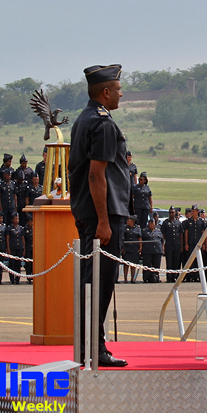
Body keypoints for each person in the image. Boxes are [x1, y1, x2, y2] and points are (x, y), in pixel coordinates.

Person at [68, 63, 130, 367]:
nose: (121, 93)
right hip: (101, 214)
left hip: (89, 212)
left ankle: (88, 346)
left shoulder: (84, 119)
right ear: (105, 92)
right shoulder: (103, 123)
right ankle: (95, 347)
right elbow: (96, 175)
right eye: (118, 89)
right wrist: (105, 221)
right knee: (100, 283)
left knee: (92, 282)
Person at [161, 207, 183, 282]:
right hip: (169, 244)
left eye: (173, 212)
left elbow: (181, 235)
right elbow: (163, 235)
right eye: (170, 212)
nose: (171, 214)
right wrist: (163, 245)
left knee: (176, 261)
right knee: (169, 261)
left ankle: (175, 276)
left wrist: (181, 245)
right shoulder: (165, 222)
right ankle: (169, 277)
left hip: (177, 244)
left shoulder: (178, 223)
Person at [141, 218, 163, 283]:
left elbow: (162, 240)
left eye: (153, 224)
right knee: (147, 265)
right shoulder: (144, 231)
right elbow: (141, 240)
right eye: (150, 224)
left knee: (156, 265)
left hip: (157, 250)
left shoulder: (158, 230)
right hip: (147, 250)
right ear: (149, 224)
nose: (152, 225)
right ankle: (146, 278)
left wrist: (162, 249)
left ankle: (156, 278)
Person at [6, 214, 25, 284]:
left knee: (18, 264)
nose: (16, 220)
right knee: (12, 264)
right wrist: (8, 249)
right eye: (15, 219)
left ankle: (17, 279)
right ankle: (12, 279)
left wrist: (24, 248)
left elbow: (23, 239)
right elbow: (7, 239)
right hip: (12, 247)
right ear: (12, 219)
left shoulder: (20, 228)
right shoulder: (9, 228)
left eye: (17, 219)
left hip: (19, 247)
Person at [123, 215, 142, 283]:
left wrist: (140, 247)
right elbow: (123, 238)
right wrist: (122, 247)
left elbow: (139, 237)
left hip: (134, 248)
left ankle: (132, 278)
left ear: (133, 221)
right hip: (127, 248)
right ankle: (125, 278)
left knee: (133, 264)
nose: (127, 221)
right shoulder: (125, 227)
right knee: (126, 264)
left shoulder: (137, 228)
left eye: (129, 220)